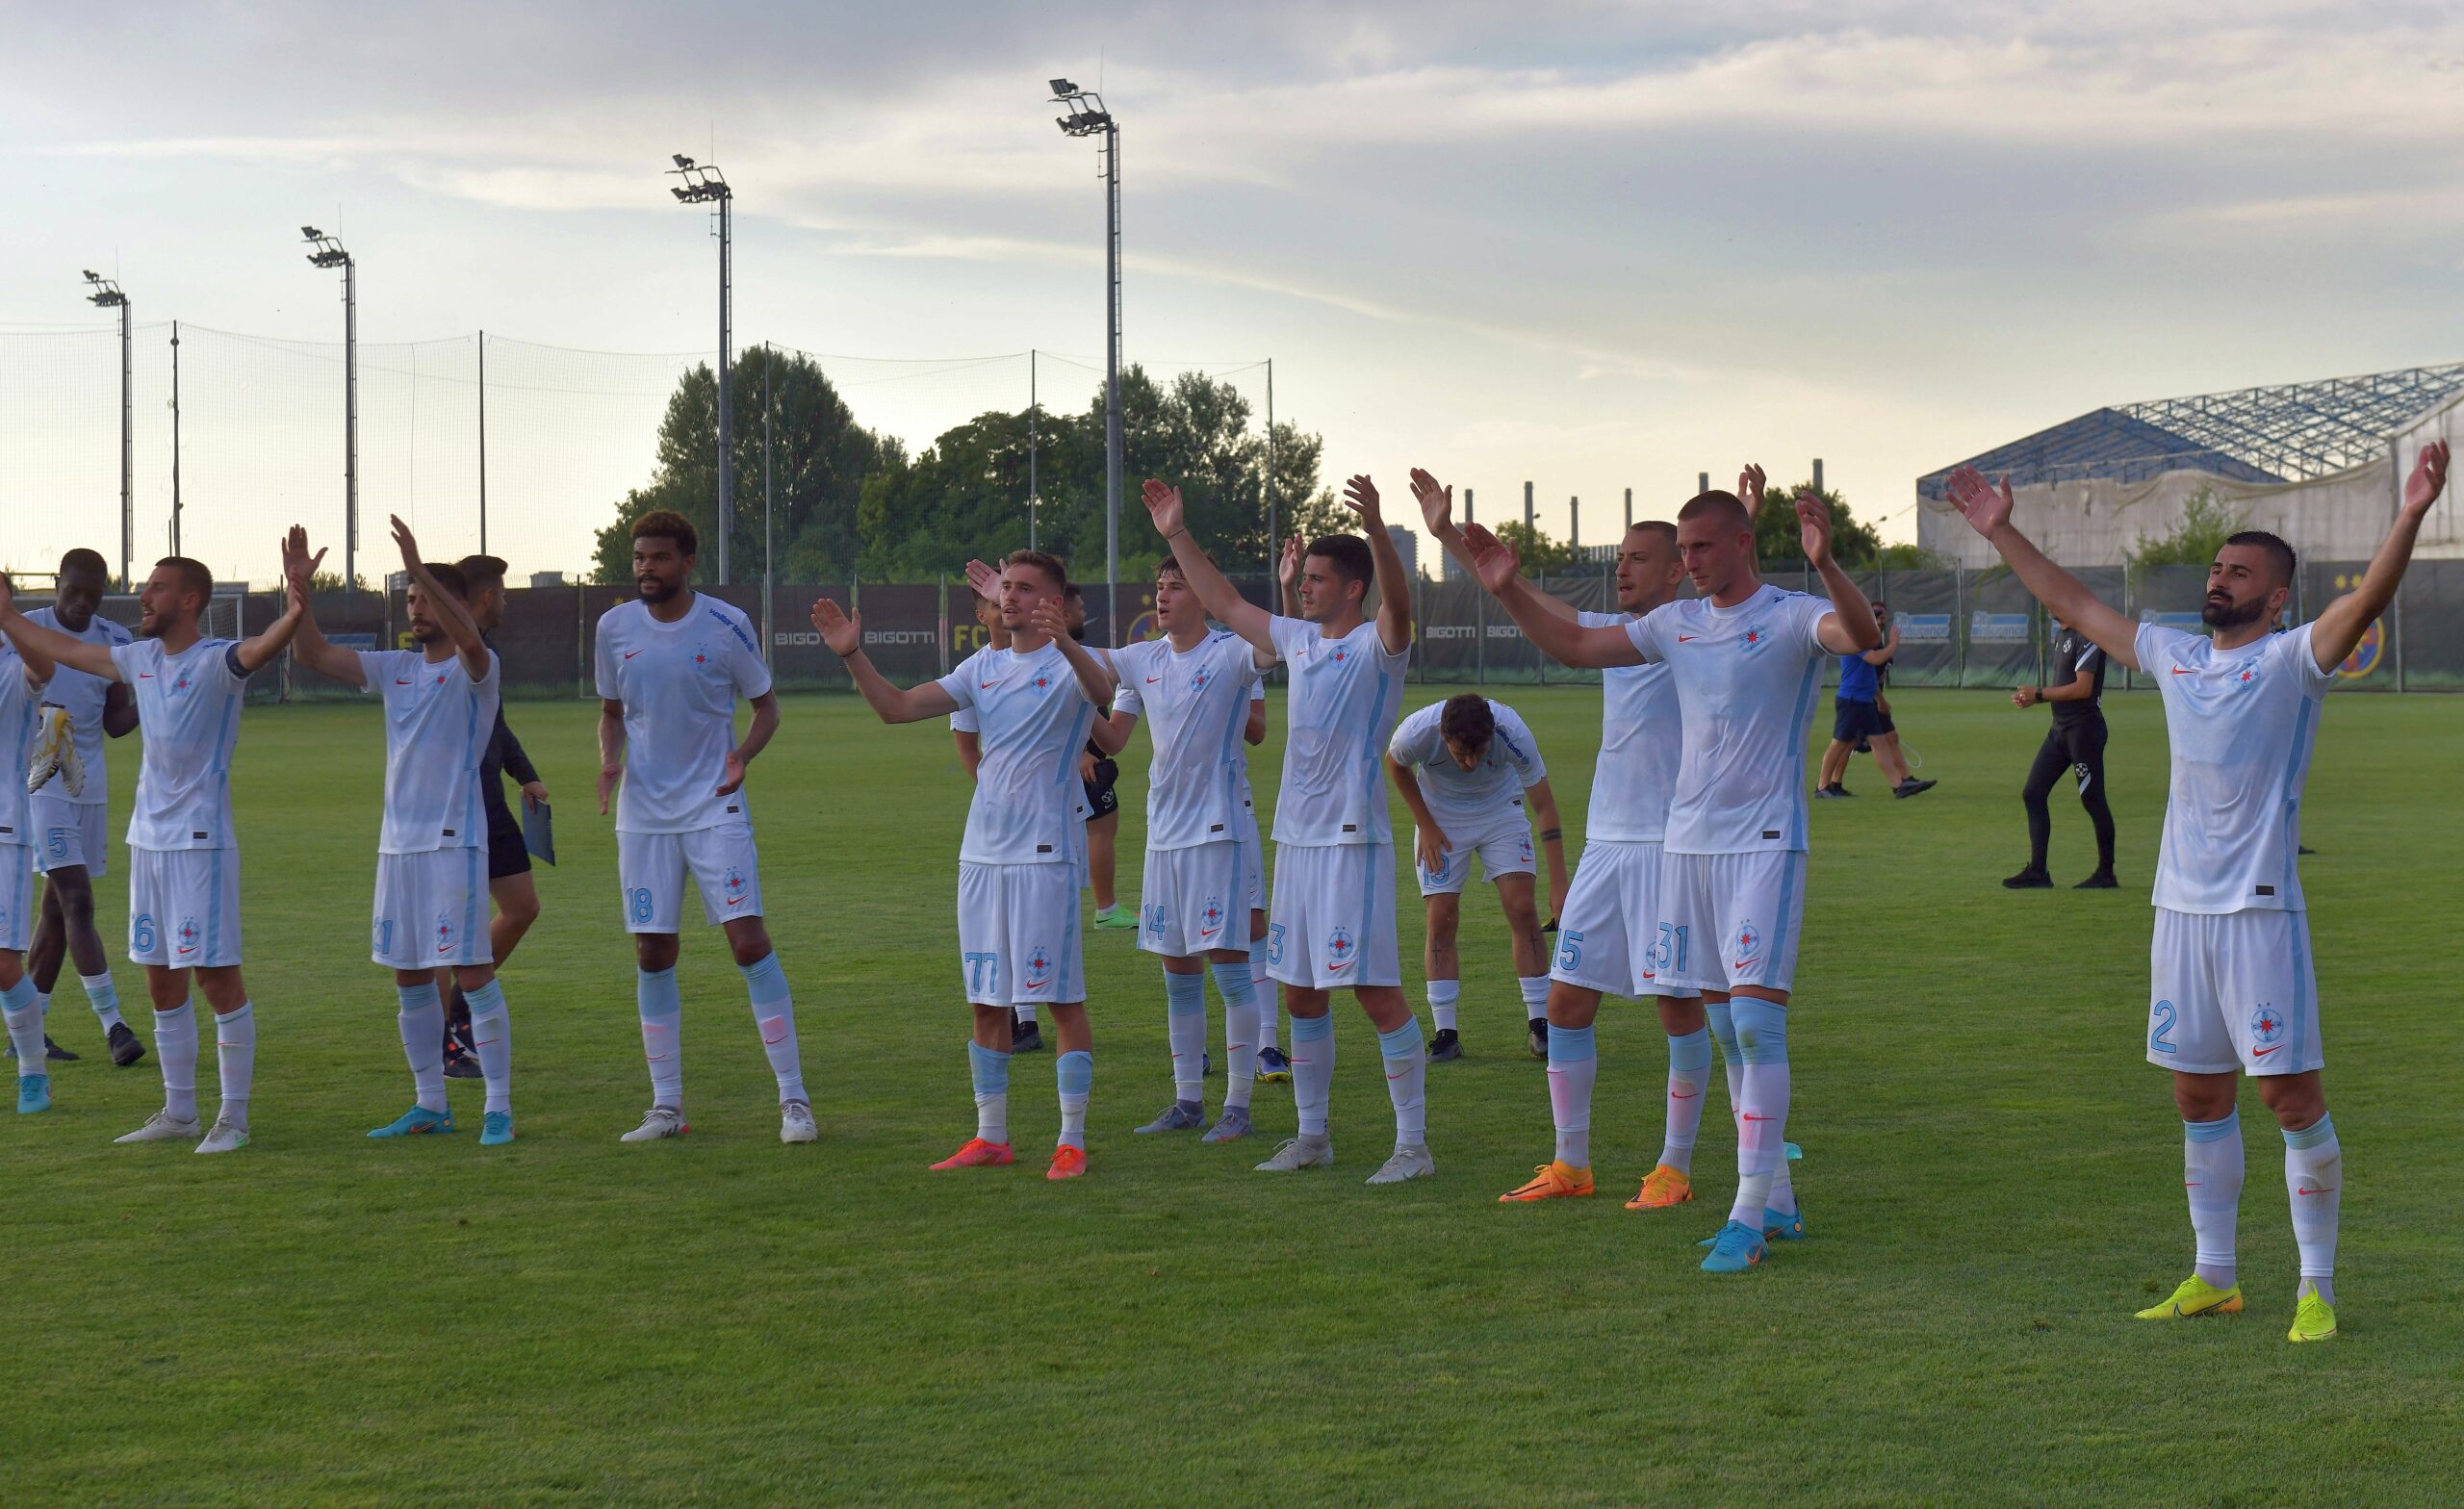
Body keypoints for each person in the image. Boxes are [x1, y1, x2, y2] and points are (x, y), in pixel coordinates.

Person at [1945, 440, 2450, 1343]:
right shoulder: (2173, 656)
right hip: (2177, 912)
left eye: (2240, 572)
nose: (2219, 579)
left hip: (2257, 912)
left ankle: (2316, 1290)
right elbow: (2070, 600)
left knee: (2290, 1100)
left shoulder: (2295, 659)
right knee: (2197, 1098)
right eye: (2217, 567)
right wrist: (2001, 532)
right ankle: (2214, 1277)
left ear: (2277, 595)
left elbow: (2368, 599)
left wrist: (2409, 514)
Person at [1461, 467, 1881, 1269]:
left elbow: (1858, 635)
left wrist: (1826, 563)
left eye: (1700, 546)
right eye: (1680, 548)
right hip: (1683, 847)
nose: (1688, 560)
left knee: (1755, 1024)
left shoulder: (1793, 616)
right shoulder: (1675, 625)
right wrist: (1508, 589)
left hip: (1761, 844)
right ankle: (1779, 1207)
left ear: (1741, 544)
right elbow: (1580, 645)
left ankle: (1748, 1217)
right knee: (1724, 1027)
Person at [1148, 472, 1432, 1186]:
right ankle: (1313, 1137)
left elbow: (1400, 605)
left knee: (1374, 993)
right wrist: (1177, 533)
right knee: (1301, 994)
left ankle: (1413, 1147)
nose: (1303, 587)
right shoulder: (1298, 641)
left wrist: (1377, 530)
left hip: (1351, 842)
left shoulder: (1379, 644)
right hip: (1295, 845)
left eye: (1317, 578)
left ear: (1352, 588)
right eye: (1303, 577)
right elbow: (1222, 600)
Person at [813, 549, 1114, 1179]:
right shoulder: (982, 667)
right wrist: (851, 654)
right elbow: (894, 708)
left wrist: (1067, 644)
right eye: (1007, 586)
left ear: (1053, 603)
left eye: (1026, 588)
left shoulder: (1072, 666)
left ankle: (1072, 1139)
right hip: (980, 856)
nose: (1010, 597)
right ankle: (991, 1136)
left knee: (1059, 1000)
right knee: (986, 1002)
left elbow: (1104, 695)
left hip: (1044, 856)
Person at [0, 551, 308, 1152]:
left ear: (190, 601)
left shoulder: (217, 661)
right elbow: (63, 651)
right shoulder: (138, 659)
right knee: (161, 982)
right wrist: (7, 615)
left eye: (158, 589)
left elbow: (263, 646)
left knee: (216, 980)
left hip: (200, 844)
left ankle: (235, 1119)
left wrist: (296, 608)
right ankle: (179, 1112)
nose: (144, 597)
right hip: (148, 840)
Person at [284, 523, 518, 1144]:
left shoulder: (479, 667)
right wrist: (298, 594)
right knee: (411, 977)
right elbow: (311, 654)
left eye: (424, 596)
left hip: (452, 842)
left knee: (471, 972)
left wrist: (419, 562)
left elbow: (470, 643)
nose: (414, 607)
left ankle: (497, 1106)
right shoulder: (396, 669)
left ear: (456, 605)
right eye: (410, 597)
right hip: (398, 847)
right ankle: (431, 1105)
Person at [595, 511, 810, 1145]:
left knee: (747, 942)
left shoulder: (725, 625)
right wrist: (609, 760)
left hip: (716, 803)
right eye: (638, 558)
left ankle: (794, 1101)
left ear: (688, 561)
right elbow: (612, 713)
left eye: (658, 558)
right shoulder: (613, 628)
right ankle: (666, 1108)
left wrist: (742, 755)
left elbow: (767, 706)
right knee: (652, 952)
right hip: (644, 816)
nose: (645, 570)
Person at [1089, 555, 1271, 1141]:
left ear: (1205, 596)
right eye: (1159, 587)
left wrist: (1286, 593)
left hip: (1219, 832)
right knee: (1177, 972)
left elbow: (1277, 651)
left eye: (1176, 587)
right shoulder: (1142, 659)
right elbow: (1114, 734)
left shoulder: (1232, 652)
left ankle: (1238, 1107)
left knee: (1231, 972)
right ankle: (1187, 1100)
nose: (1162, 597)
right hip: (1163, 837)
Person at [1385, 692, 1567, 1061]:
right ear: (1442, 734)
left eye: (1478, 753)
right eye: (1459, 754)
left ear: (1491, 735)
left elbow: (1545, 807)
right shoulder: (1416, 732)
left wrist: (1560, 885)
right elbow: (1395, 764)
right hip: (1440, 816)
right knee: (1441, 917)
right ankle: (1446, 1034)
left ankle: (1540, 1027)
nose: (1469, 763)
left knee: (1522, 909)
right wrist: (1425, 824)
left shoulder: (1512, 730)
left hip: (1501, 811)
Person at [18, 548, 142, 1069]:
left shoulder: (117, 641)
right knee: (78, 900)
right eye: (73, 591)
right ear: (56, 583)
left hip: (87, 785)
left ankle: (27, 1030)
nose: (82, 603)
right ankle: (114, 1026)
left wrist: (157, 699)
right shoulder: (23, 630)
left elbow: (115, 723)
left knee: (54, 912)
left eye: (93, 595)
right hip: (40, 775)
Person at [435, 554, 552, 1073]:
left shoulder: (488, 656)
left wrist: (523, 773)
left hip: (491, 802)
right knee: (445, 932)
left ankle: (462, 1003)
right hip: (450, 810)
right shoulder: (447, 656)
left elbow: (495, 727)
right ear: (484, 598)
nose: (505, 600)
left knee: (523, 906)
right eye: (502, 592)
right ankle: (449, 1039)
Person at [950, 589, 1049, 1053]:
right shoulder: (973, 672)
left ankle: (1028, 1015)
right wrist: (1000, 792)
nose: (1002, 606)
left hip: (1048, 822)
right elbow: (969, 751)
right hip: (998, 829)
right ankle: (1015, 1018)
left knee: (1036, 933)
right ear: (981, 613)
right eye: (994, 601)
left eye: (1010, 596)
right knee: (999, 931)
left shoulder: (1051, 660)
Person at [2, 575, 62, 1113]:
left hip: (4, 831)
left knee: (2, 964)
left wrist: (6, 621)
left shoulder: (13, 659)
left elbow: (42, 670)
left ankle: (32, 1073)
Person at [2005, 609, 2117, 889]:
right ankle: (2038, 872)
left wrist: (2039, 694)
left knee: (2093, 800)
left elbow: (2082, 688)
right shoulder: (2064, 635)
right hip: (2060, 730)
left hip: (2084, 732)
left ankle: (2106, 873)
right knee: (2033, 793)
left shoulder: (2088, 635)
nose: (2048, 602)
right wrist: (2035, 699)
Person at [1062, 583, 1133, 933]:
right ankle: (1106, 907)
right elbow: (1064, 710)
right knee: (1099, 832)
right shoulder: (1064, 657)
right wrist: (1084, 754)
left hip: (1090, 755)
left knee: (1102, 830)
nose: (1083, 613)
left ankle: (1106, 905)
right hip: (1081, 763)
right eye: (1078, 608)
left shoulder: (1077, 653)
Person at [1816, 601, 1934, 799]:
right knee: (1839, 743)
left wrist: (1880, 699)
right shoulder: (1855, 636)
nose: (1880, 621)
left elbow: (1871, 675)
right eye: (1875, 616)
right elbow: (1875, 659)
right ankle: (1822, 787)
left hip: (1864, 699)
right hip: (1852, 698)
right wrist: (1894, 644)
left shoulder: (1867, 638)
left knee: (1878, 742)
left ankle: (1899, 786)